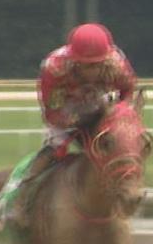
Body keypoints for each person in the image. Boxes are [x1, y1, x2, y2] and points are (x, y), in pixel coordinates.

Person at [9, 23, 138, 221]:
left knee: (120, 144)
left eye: (98, 65)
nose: (93, 71)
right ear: (74, 61)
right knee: (55, 148)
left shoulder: (117, 63)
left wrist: (118, 114)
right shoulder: (54, 68)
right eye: (87, 66)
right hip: (67, 109)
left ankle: (129, 191)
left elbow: (128, 91)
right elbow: (51, 112)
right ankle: (23, 199)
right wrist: (77, 119)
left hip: (102, 104)